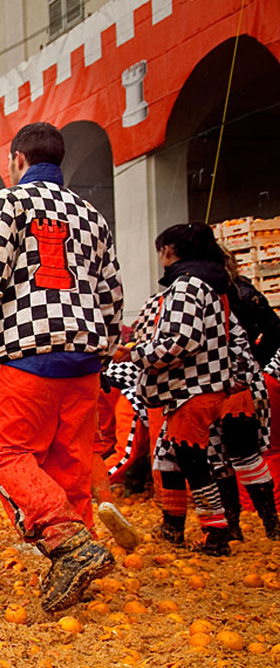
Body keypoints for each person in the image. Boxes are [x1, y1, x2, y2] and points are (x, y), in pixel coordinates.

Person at [0, 122, 123, 613]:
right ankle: (79, 567)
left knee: (4, 453)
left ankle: (68, 543)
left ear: (17, 159)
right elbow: (111, 296)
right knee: (70, 464)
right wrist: (101, 349)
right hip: (85, 355)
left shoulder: (8, 204)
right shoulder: (91, 215)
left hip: (29, 350)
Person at [118, 223, 277, 554]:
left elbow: (181, 340)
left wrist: (135, 353)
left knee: (201, 464)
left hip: (191, 390)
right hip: (214, 387)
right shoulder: (217, 287)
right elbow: (233, 339)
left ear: (169, 251)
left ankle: (217, 532)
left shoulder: (187, 287)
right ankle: (196, 528)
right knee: (184, 458)